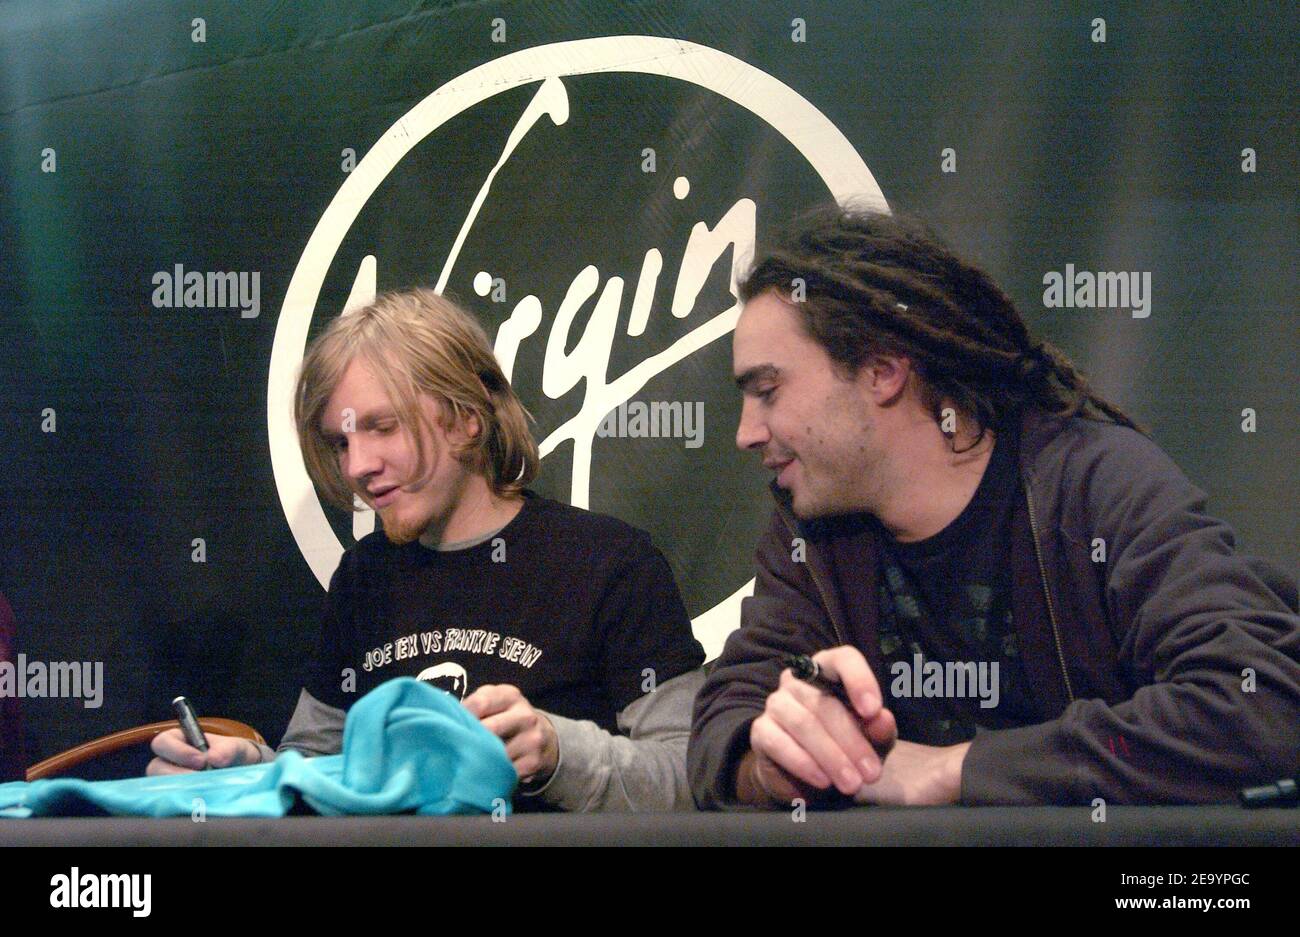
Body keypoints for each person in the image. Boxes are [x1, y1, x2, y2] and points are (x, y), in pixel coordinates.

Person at [689, 206, 1300, 808]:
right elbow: (724, 723)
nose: (746, 432)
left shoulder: (1094, 483)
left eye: (768, 391)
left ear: (881, 373)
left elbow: (1264, 703)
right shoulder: (812, 533)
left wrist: (955, 771)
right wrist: (775, 761)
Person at [150, 289, 705, 811]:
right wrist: (252, 772)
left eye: (382, 428)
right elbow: (319, 773)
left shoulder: (610, 563)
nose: (356, 466)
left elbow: (690, 779)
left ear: (466, 416)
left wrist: (560, 752)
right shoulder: (362, 577)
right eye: (341, 441)